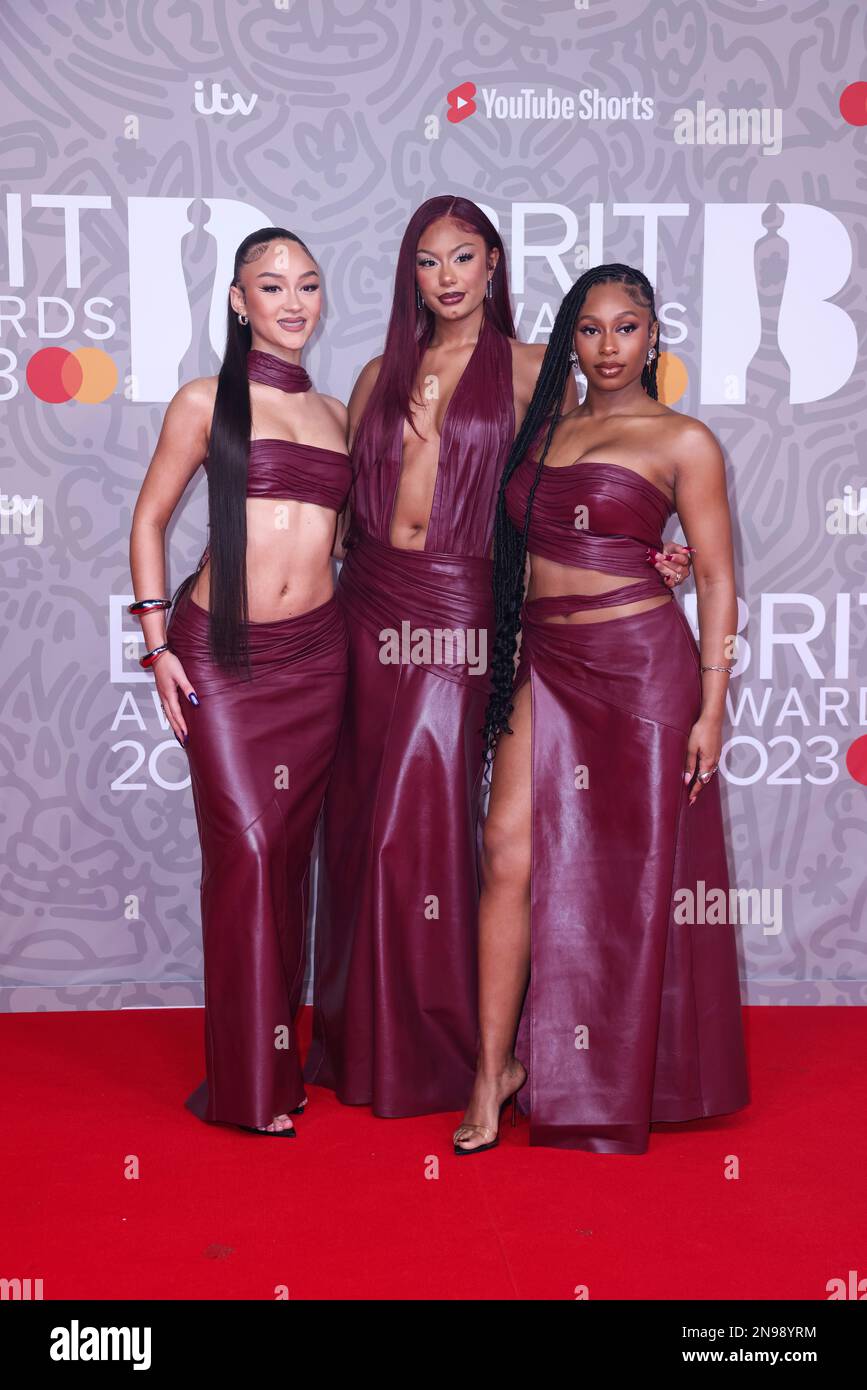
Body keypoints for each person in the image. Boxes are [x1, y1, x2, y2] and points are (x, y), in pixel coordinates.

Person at [304, 202, 693, 1118]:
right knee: (360, 824)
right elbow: (334, 511)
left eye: (464, 258)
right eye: (428, 261)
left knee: (425, 824)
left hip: (458, 614)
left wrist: (647, 548)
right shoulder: (375, 375)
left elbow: (588, 470)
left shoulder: (532, 373)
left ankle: (444, 1054)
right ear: (411, 274)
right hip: (367, 604)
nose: (446, 277)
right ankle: (363, 1043)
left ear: (492, 266)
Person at [452, 263, 750, 1155]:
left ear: (653, 336)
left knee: (630, 867)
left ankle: (618, 1070)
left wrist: (711, 705)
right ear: (569, 340)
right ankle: (492, 1070)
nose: (608, 346)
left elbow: (715, 574)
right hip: (545, 661)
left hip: (638, 666)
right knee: (507, 851)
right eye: (589, 329)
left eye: (627, 328)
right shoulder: (543, 432)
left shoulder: (682, 439)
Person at [129, 227, 352, 1136]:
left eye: (306, 284)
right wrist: (155, 646)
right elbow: (148, 520)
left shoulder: (337, 414)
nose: (293, 302)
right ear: (238, 302)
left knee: (290, 863)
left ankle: (279, 1061)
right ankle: (249, 1087)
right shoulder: (201, 402)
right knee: (247, 858)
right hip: (221, 659)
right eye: (271, 286)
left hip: (318, 659)